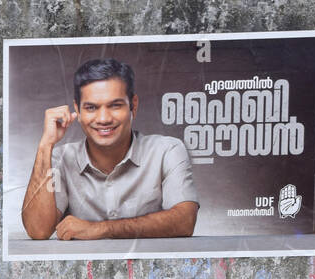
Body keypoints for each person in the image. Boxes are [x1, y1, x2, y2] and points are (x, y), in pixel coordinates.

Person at [21, 58, 198, 241]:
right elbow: (38, 230)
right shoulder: (59, 158)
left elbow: (185, 220)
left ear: (133, 106)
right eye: (91, 107)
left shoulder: (167, 151)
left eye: (115, 105)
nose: (104, 118)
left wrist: (102, 229)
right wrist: (45, 144)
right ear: (78, 110)